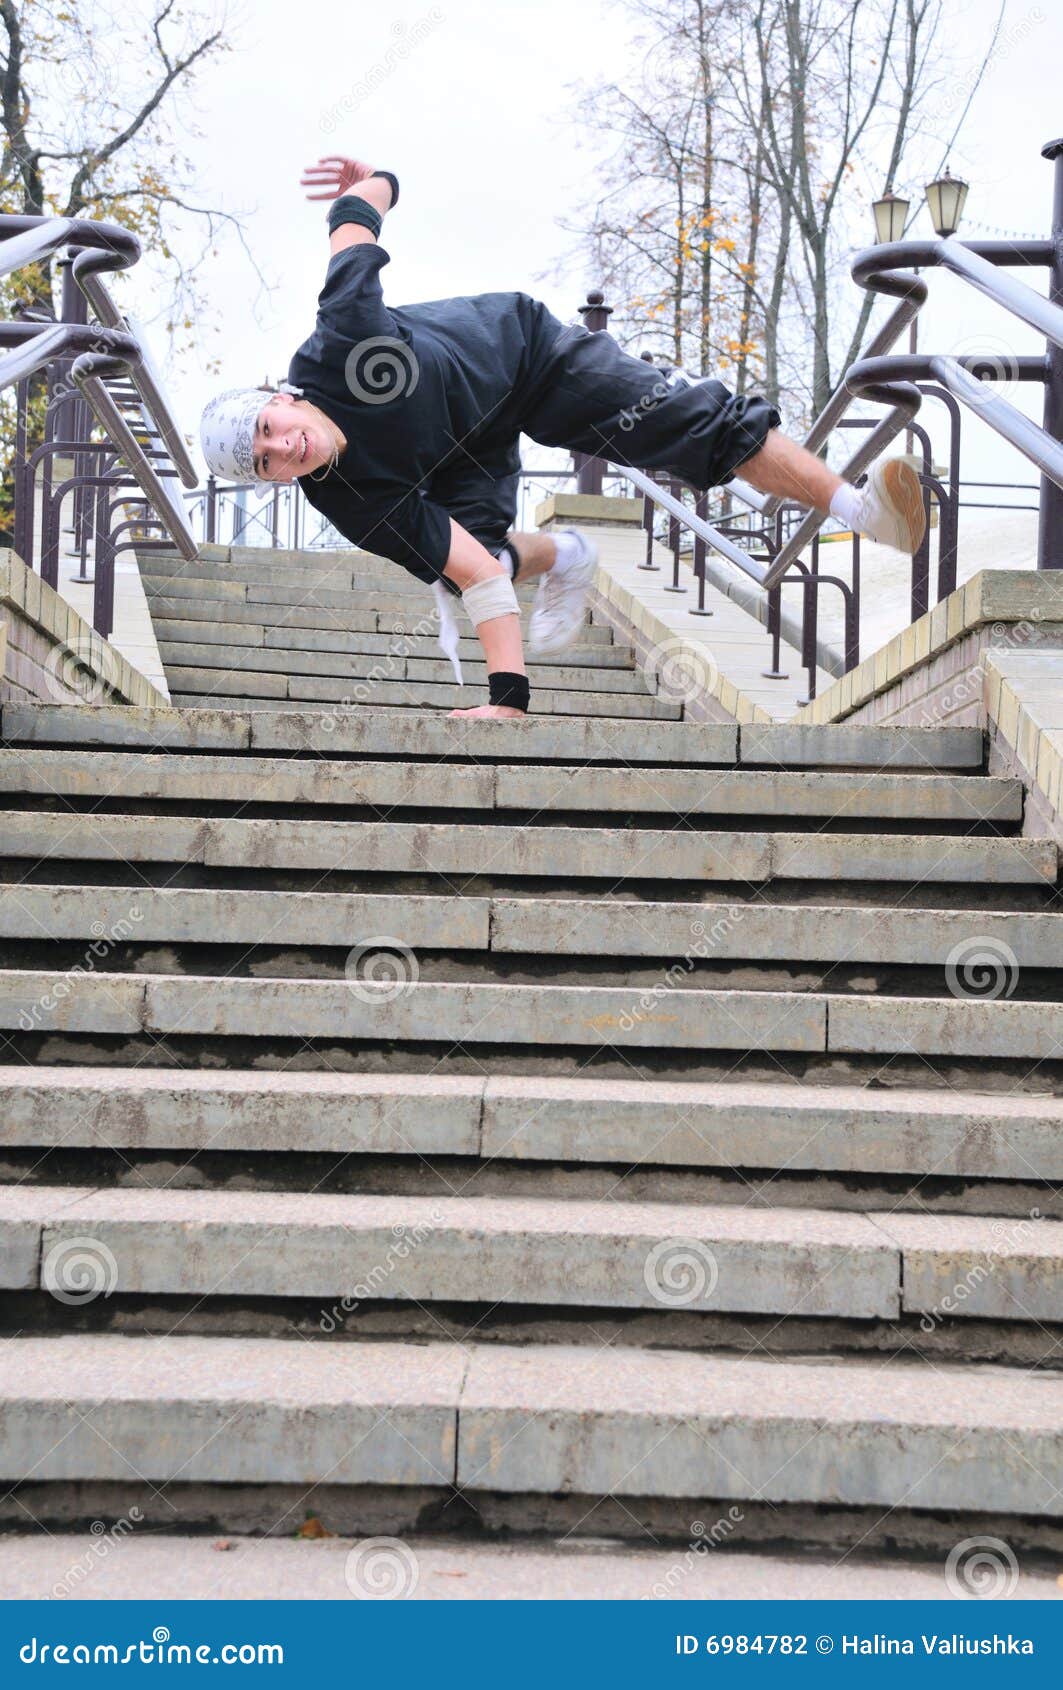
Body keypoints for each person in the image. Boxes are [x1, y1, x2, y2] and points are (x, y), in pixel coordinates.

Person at [200, 155, 926, 721]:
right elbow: (478, 574)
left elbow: (354, 222)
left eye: (270, 429)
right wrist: (507, 698)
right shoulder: (350, 502)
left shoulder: (343, 335)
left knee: (699, 425)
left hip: (525, 358)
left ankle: (862, 511)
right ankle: (566, 556)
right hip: (460, 457)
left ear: (282, 397)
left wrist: (375, 178)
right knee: (472, 565)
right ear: (277, 484)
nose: (283, 448)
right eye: (266, 465)